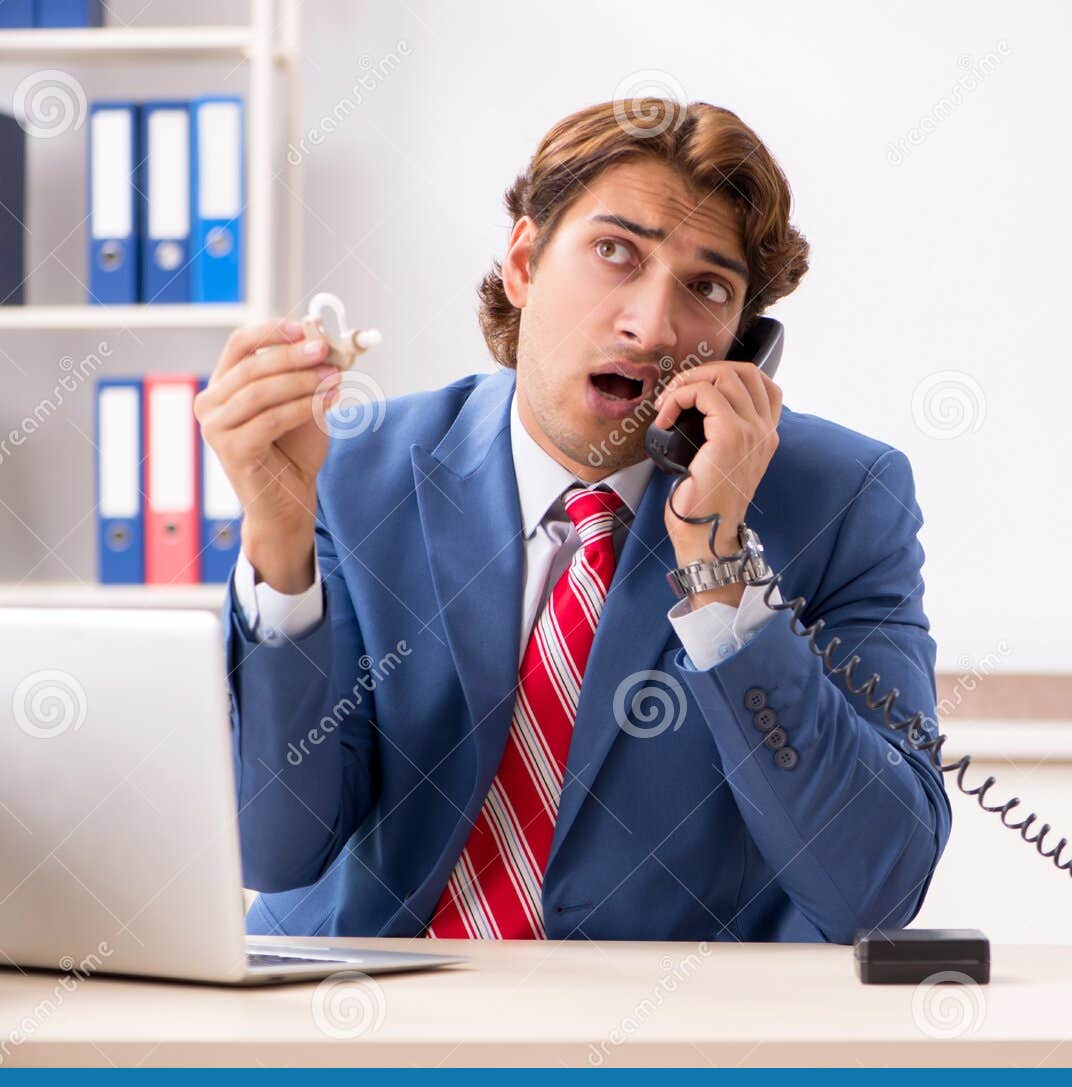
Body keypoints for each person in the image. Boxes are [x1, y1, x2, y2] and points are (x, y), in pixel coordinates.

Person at [197, 98, 950, 943]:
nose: (653, 325)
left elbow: (873, 887)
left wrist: (719, 569)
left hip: (655, 1047)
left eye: (707, 287)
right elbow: (273, 849)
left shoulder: (843, 500)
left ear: (744, 343)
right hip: (365, 1021)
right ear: (524, 263)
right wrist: (277, 540)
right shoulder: (354, 473)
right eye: (614, 252)